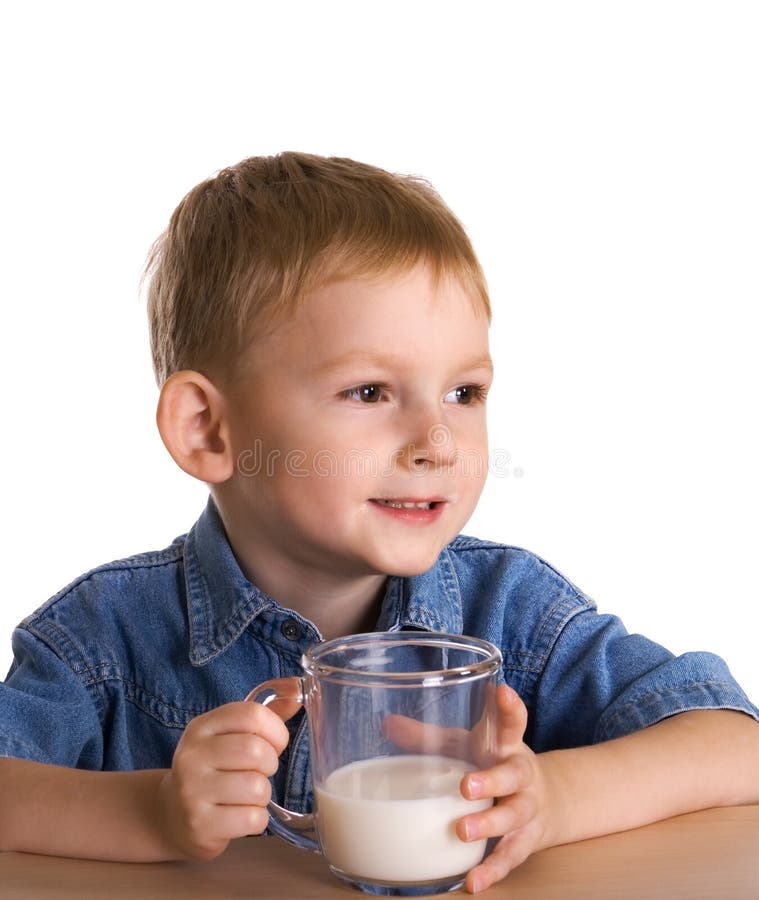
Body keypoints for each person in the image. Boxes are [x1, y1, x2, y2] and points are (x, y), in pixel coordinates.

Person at [0, 152, 757, 894]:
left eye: (463, 393)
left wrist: (553, 796)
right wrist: (151, 812)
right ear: (208, 429)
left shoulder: (512, 611)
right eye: (369, 392)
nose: (438, 443)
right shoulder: (104, 638)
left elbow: (736, 742)